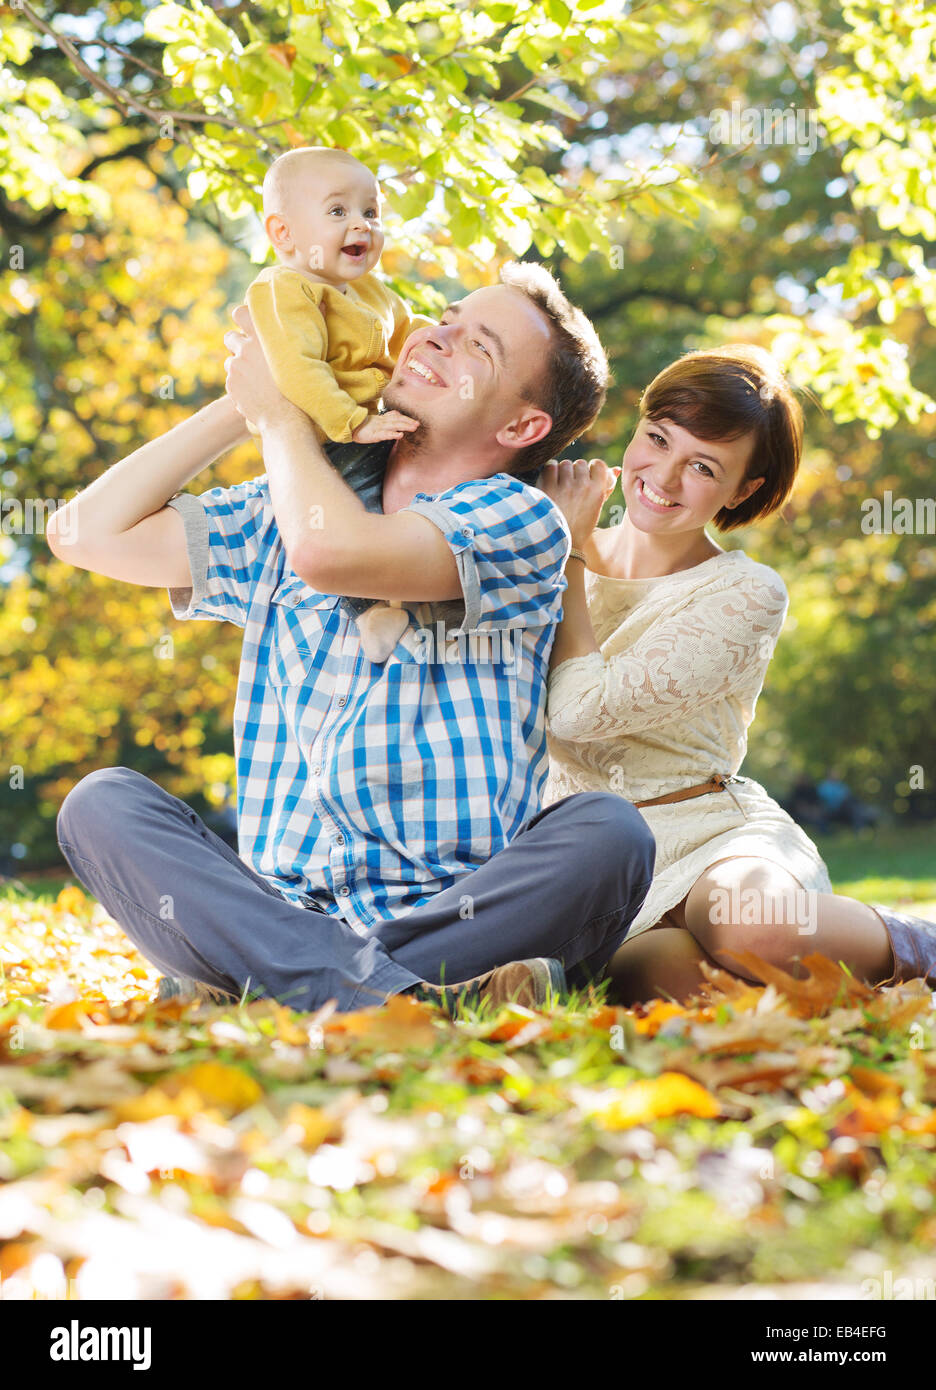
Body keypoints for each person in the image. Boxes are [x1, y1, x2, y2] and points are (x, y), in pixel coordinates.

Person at [46, 261, 656, 1016]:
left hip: (458, 915)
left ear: (520, 427)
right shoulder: (293, 498)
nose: (437, 336)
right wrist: (260, 394)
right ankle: (405, 1002)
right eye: (449, 317)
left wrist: (279, 418)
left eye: (478, 348)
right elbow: (82, 532)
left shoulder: (527, 522)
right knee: (101, 804)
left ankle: (280, 986)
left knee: (611, 833)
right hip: (280, 906)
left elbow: (331, 553)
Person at [538, 344, 936, 1005]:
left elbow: (579, 708)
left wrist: (572, 551)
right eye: (657, 439)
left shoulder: (745, 592)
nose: (662, 477)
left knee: (757, 933)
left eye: (702, 466)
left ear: (743, 489)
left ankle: (921, 945)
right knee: (674, 983)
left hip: (711, 834)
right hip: (600, 866)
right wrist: (562, 548)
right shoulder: (543, 551)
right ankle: (846, 991)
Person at [244, 145, 429, 449]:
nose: (362, 224)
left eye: (370, 212)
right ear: (283, 232)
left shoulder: (368, 288)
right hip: (319, 441)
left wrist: (453, 334)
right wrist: (354, 423)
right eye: (337, 211)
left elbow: (410, 332)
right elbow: (297, 368)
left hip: (369, 428)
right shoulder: (284, 289)